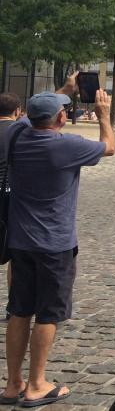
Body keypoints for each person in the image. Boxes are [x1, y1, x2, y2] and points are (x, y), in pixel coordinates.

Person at [3, 77, 115, 407]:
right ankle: (37, 384)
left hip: (19, 240)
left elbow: (30, 117)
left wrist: (64, 91)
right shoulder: (66, 146)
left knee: (19, 311)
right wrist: (104, 115)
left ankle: (12, 384)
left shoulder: (16, 137)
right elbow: (109, 146)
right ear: (62, 118)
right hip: (54, 243)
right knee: (48, 314)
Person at [1, 93, 23, 320]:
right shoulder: (20, 132)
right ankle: (13, 305)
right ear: (17, 111)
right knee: (16, 256)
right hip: (11, 198)